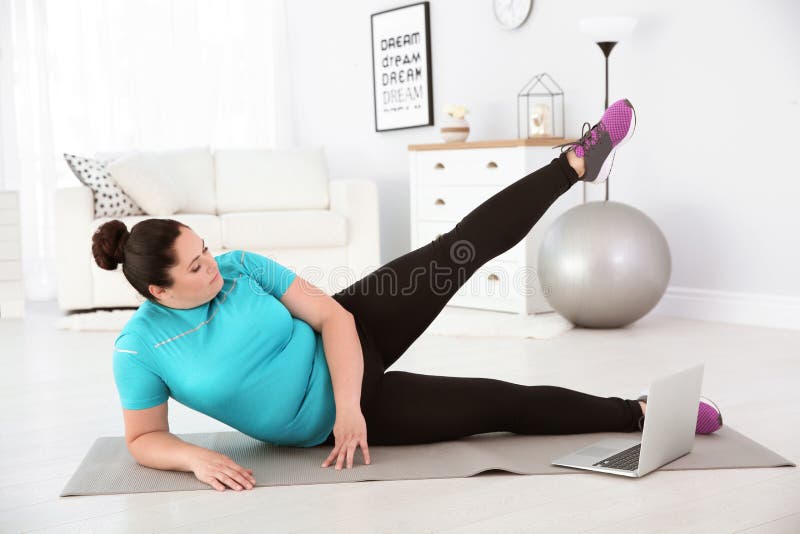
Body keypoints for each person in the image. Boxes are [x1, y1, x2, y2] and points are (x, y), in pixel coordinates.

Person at [94, 99, 722, 493]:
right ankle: (638, 411)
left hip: (353, 333)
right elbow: (145, 437)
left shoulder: (238, 266)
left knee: (459, 249)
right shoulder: (140, 349)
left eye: (207, 251)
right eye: (197, 268)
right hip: (332, 425)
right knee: (498, 406)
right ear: (158, 289)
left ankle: (576, 164)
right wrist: (193, 459)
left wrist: (348, 409)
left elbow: (333, 315)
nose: (214, 268)